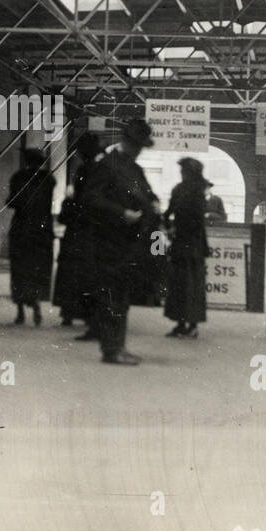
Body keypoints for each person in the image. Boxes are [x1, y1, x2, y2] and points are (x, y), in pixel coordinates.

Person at [81, 118, 159, 365]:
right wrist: (120, 213)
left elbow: (146, 193)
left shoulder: (134, 168)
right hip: (109, 240)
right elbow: (91, 199)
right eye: (136, 145)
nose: (139, 150)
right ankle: (111, 349)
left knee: (122, 296)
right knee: (111, 296)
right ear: (126, 141)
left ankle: (119, 345)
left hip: (129, 243)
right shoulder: (107, 165)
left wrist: (153, 201)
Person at [54, 132, 103, 330]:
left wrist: (69, 205)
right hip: (92, 229)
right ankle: (88, 313)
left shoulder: (84, 170)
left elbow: (78, 201)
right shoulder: (99, 170)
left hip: (77, 230)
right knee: (89, 273)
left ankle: (68, 312)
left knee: (70, 272)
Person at [7, 147, 56, 326]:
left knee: (19, 269)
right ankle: (36, 305)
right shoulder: (49, 179)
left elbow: (11, 202)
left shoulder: (18, 177)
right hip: (42, 230)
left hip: (21, 229)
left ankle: (20, 311)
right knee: (37, 269)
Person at [164, 157, 210, 339]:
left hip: (191, 243)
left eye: (184, 171)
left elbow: (197, 220)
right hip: (186, 243)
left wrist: (172, 226)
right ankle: (182, 323)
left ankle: (190, 324)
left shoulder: (197, 191)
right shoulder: (183, 189)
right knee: (181, 284)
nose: (182, 174)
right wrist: (168, 224)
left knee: (190, 284)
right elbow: (169, 212)